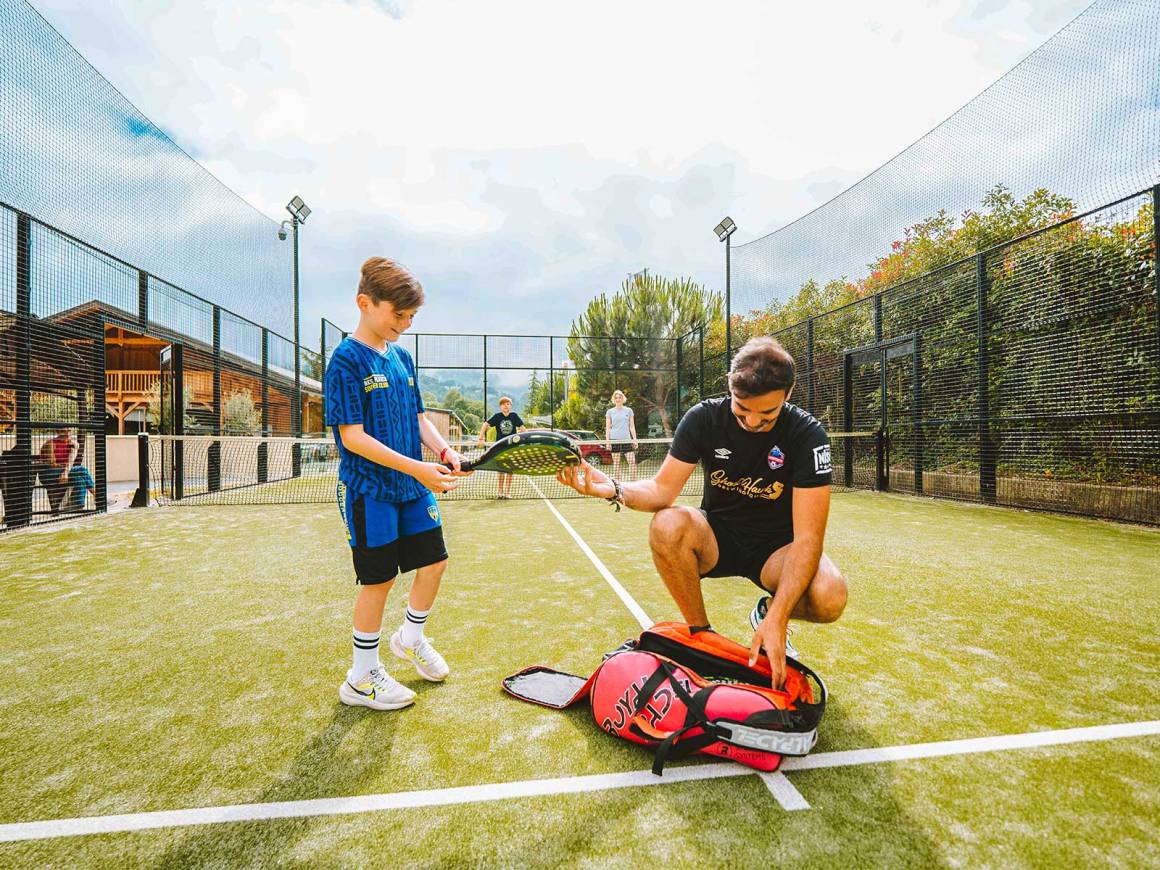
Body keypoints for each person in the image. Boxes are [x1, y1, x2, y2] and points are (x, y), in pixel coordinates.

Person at [557, 337, 847, 689]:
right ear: (730, 385)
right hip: (717, 538)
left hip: (777, 550)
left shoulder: (808, 435)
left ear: (789, 393)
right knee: (667, 523)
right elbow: (662, 490)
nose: (752, 421)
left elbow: (808, 539)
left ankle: (765, 612)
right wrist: (614, 488)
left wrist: (779, 617)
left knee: (830, 596)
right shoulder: (703, 418)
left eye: (767, 414)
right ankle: (701, 637)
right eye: (742, 409)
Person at [324, 256, 470, 712]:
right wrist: (417, 468)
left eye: (411, 316)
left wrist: (443, 451)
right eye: (398, 314)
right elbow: (353, 437)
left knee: (435, 563)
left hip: (412, 488)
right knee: (379, 580)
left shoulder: (402, 357)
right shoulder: (345, 361)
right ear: (364, 303)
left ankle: (410, 637)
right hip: (369, 491)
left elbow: (418, 418)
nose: (405, 324)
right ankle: (361, 677)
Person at [477, 396, 526, 499]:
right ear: (500, 406)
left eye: (508, 404)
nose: (506, 406)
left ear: (510, 406)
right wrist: (481, 438)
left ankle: (507, 492)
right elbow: (485, 424)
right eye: (503, 404)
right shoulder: (497, 416)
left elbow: (522, 428)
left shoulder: (514, 416)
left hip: (512, 447)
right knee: (500, 470)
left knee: (510, 470)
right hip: (500, 446)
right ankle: (500, 492)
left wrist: (526, 438)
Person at [38, 427, 77, 514]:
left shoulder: (73, 444)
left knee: (80, 478)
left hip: (64, 473)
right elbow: (52, 464)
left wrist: (72, 451)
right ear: (58, 432)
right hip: (49, 473)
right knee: (81, 470)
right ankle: (97, 496)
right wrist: (66, 468)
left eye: (69, 431)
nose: (67, 433)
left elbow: (70, 461)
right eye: (63, 431)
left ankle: (77, 503)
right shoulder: (50, 443)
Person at [605, 389, 638, 480]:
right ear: (614, 399)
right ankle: (618, 484)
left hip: (627, 440)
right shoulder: (610, 412)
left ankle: (633, 483)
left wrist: (634, 440)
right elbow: (608, 428)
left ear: (623, 399)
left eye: (620, 397)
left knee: (632, 462)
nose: (618, 399)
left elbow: (632, 426)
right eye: (616, 398)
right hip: (614, 440)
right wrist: (608, 442)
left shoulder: (629, 411)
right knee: (616, 463)